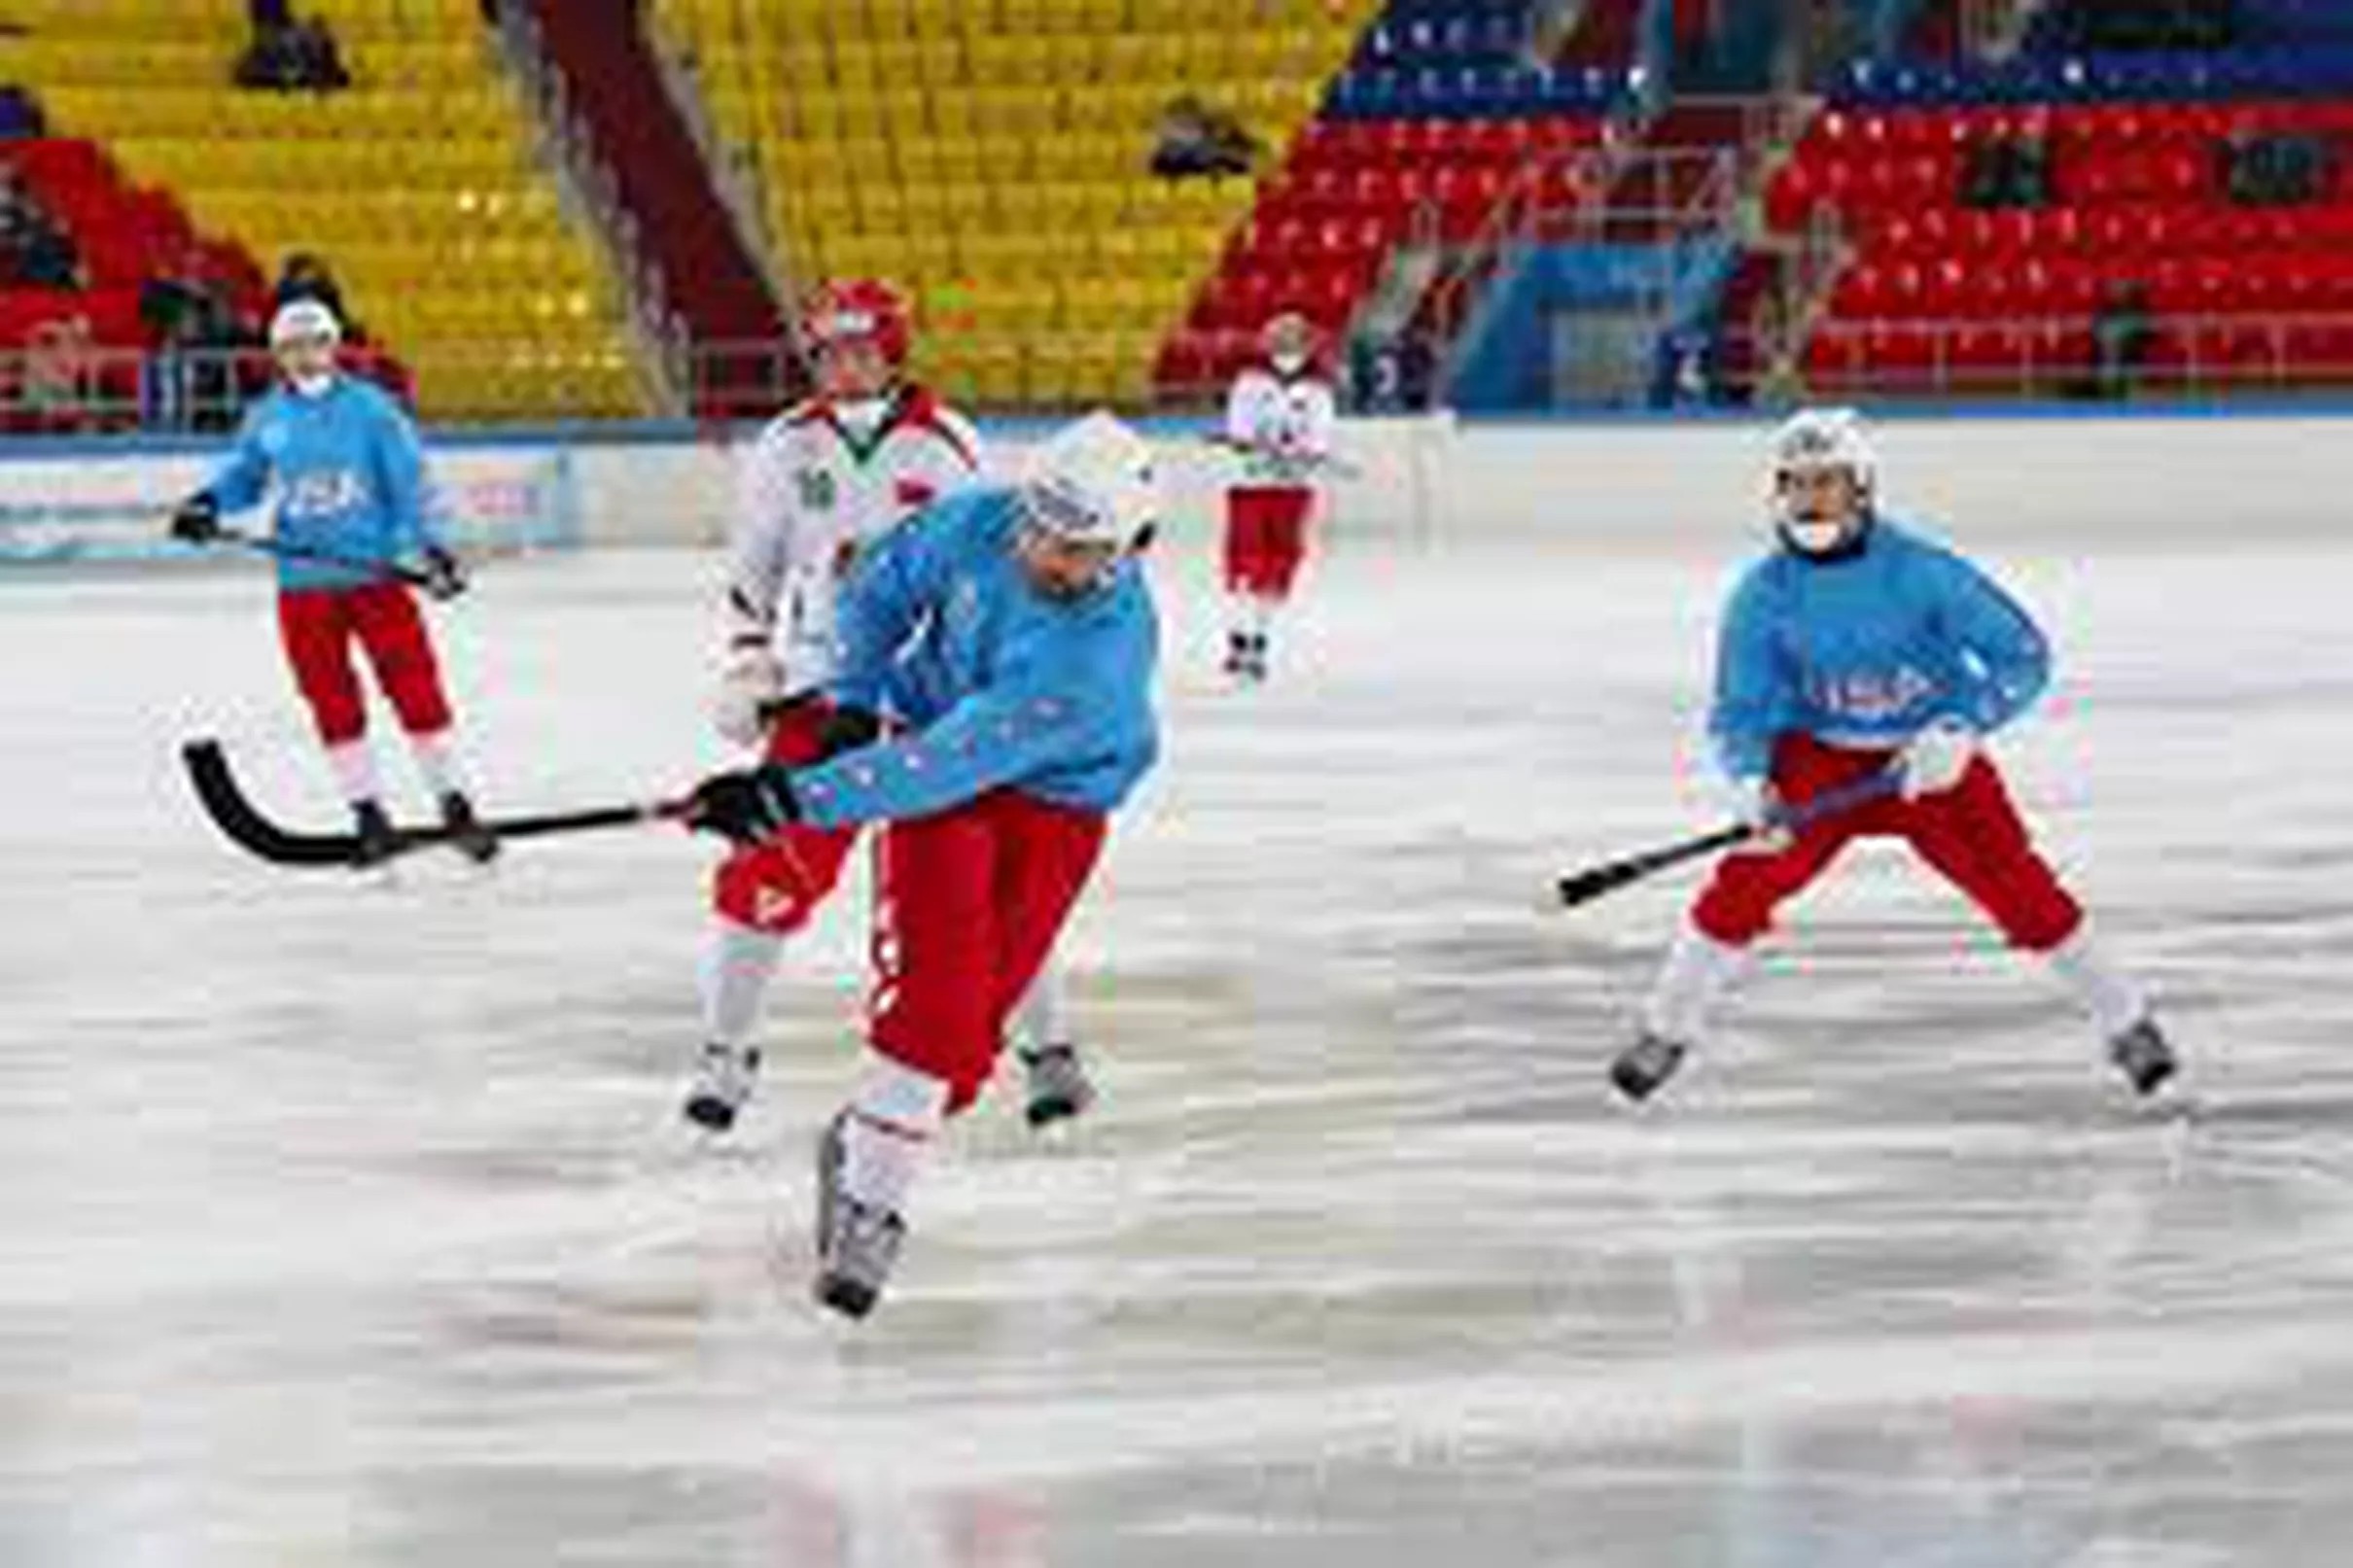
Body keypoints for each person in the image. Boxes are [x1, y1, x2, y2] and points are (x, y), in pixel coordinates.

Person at [684, 411, 1162, 1319]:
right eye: (1036, 529)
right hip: (935, 774)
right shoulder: (977, 521)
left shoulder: (1090, 661)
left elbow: (947, 761)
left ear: (1130, 546)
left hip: (1051, 798)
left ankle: (863, 1140)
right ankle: (875, 1206)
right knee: (936, 1010)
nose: (1042, 556)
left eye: (1075, 549)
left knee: (970, 1050)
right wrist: (858, 700)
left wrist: (793, 794)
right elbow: (876, 590)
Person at [1609, 408, 2176, 1103]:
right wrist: (1751, 779)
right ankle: (1665, 1027)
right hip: (1818, 762)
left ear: (1863, 490)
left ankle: (2128, 1022)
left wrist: (1963, 727)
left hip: (1930, 762)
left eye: (1829, 483)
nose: (1812, 499)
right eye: (1797, 484)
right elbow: (1741, 707)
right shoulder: (1763, 594)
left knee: (2019, 887)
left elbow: (2022, 656)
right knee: (1743, 885)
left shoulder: (1924, 572)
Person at [685, 278, 1099, 1137]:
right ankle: (726, 1048)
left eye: (862, 348)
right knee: (767, 872)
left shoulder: (950, 445)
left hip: (935, 700)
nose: (845, 365)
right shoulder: (786, 446)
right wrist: (749, 660)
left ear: (894, 350)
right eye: (830, 351)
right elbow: (754, 563)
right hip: (824, 692)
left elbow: (1003, 565)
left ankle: (1045, 1045)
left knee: (988, 884)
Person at [167, 298, 492, 869]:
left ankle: (454, 801)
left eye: (315, 342)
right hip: (303, 587)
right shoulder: (268, 417)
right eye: (292, 347)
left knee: (415, 690)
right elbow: (245, 476)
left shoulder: (372, 410)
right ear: (277, 355)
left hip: (374, 577)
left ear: (333, 345)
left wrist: (434, 548)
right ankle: (367, 811)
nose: (305, 356)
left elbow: (410, 487)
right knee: (331, 700)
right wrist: (207, 503)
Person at [1218, 312, 1337, 683]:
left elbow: (1318, 439)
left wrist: (1303, 455)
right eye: (1280, 339)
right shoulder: (1248, 384)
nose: (1287, 347)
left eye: (1294, 339)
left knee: (1279, 564)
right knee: (1245, 562)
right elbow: (1239, 431)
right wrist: (1256, 449)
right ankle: (1240, 637)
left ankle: (1260, 637)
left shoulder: (1318, 391)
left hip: (1292, 489)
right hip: (1250, 485)